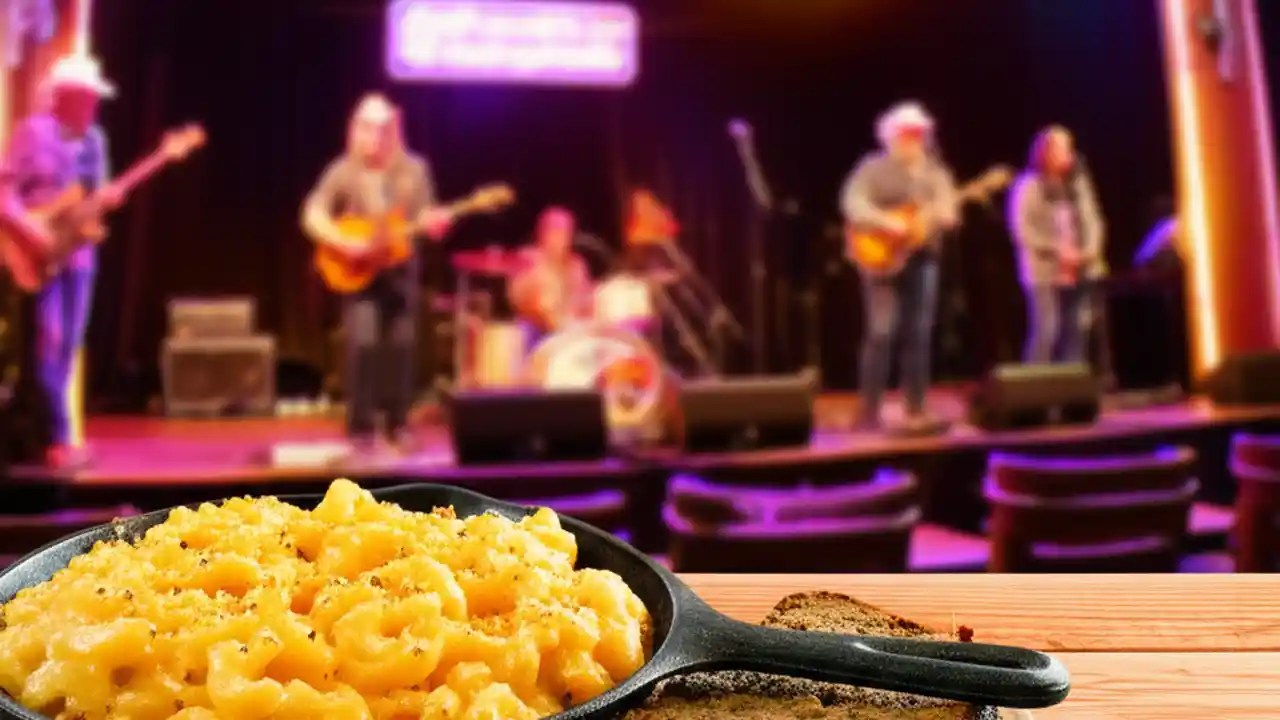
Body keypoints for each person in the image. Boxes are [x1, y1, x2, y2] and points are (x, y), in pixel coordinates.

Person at [301, 93, 454, 454]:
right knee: (364, 343)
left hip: (400, 273)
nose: (374, 138)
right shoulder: (344, 170)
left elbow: (425, 216)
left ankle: (397, 422)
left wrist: (435, 225)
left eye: (382, 129)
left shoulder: (414, 170)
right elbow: (313, 212)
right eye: (367, 128)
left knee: (402, 347)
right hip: (360, 277)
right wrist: (343, 241)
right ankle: (361, 425)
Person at [3, 54, 123, 468]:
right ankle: (52, 438)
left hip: (80, 258)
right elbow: (7, 197)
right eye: (85, 98)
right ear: (65, 97)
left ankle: (57, 437)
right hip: (39, 253)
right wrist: (31, 232)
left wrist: (99, 211)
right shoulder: (32, 134)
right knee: (48, 343)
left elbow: (95, 199)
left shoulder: (96, 141)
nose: (91, 107)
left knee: (67, 345)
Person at [840, 101, 958, 431]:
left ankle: (916, 407)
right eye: (906, 134)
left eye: (918, 134)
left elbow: (948, 208)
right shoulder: (872, 169)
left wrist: (945, 216)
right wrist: (886, 222)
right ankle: (869, 410)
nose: (913, 140)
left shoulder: (936, 173)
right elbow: (852, 202)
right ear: (890, 137)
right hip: (879, 261)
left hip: (922, 260)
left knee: (918, 333)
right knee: (881, 332)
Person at [1007, 125, 1106, 366]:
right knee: (1047, 329)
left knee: (1076, 329)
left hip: (1079, 268)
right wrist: (1055, 249)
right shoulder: (1027, 186)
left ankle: (1071, 392)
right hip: (1043, 272)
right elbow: (1021, 230)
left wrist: (1091, 249)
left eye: (1069, 148)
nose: (1068, 154)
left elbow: (1094, 219)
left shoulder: (1078, 185)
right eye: (1061, 148)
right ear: (1045, 153)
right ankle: (1034, 391)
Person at [509, 206, 593, 347]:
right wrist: (551, 320)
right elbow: (520, 301)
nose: (562, 238)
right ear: (542, 233)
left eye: (566, 232)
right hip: (536, 333)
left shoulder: (577, 265)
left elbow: (587, 304)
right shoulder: (527, 259)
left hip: (571, 335)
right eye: (556, 232)